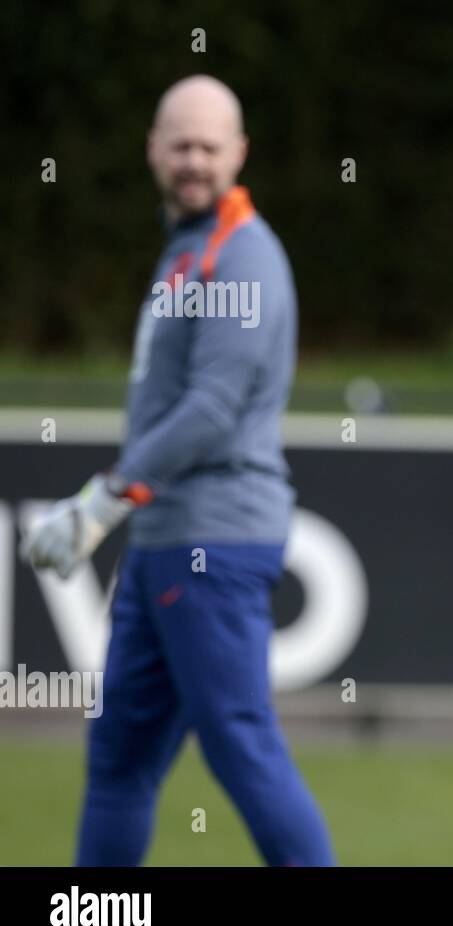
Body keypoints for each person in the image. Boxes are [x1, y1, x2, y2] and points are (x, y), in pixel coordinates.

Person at [20, 74, 334, 866]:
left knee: (238, 744)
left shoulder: (242, 253)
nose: (193, 160)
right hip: (165, 542)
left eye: (208, 146)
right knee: (119, 760)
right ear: (154, 149)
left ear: (238, 153)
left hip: (214, 541)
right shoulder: (188, 244)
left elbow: (212, 407)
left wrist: (105, 498)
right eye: (180, 144)